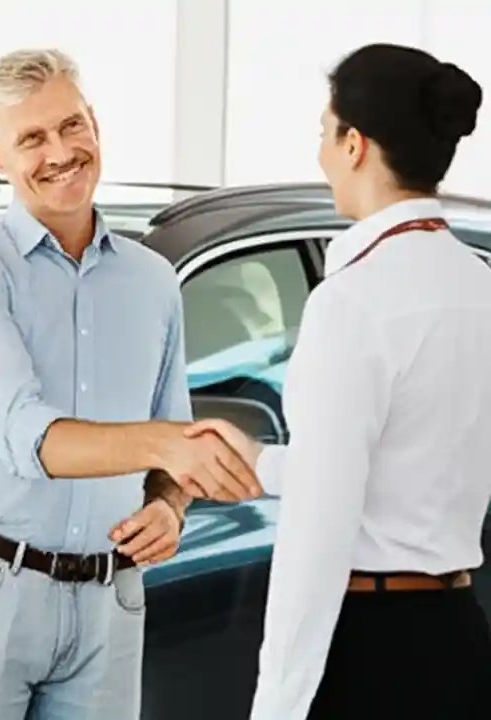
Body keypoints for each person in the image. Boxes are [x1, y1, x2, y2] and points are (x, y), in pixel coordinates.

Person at [0, 47, 260, 720]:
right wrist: (169, 448)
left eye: (72, 125)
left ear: (95, 124)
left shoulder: (153, 280)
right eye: (32, 138)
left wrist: (168, 507)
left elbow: (172, 438)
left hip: (111, 597)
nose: (60, 152)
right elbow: (28, 439)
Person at [187, 43, 491, 720]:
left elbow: (317, 535)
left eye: (324, 134)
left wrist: (277, 704)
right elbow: (405, 465)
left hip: (370, 650)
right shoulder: (481, 284)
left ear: (355, 144)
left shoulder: (351, 302)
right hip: (458, 637)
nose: (322, 154)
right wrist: (262, 461)